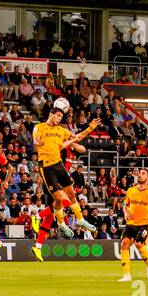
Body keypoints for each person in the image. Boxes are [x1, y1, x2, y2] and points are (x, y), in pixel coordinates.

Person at [30, 99, 96, 261]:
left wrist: (89, 129)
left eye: (61, 116)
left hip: (59, 166)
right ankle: (43, 219)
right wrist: (37, 143)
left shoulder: (62, 130)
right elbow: (35, 141)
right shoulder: (40, 127)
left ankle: (40, 243)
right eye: (58, 115)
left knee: (66, 200)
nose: (59, 119)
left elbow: (77, 138)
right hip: (46, 168)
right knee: (60, 201)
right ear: (51, 114)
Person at [118, 167, 148, 282]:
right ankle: (127, 275)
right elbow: (125, 205)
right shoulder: (130, 190)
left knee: (139, 244)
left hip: (144, 224)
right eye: (139, 173)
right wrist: (125, 213)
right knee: (124, 244)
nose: (139, 175)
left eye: (143, 173)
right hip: (131, 223)